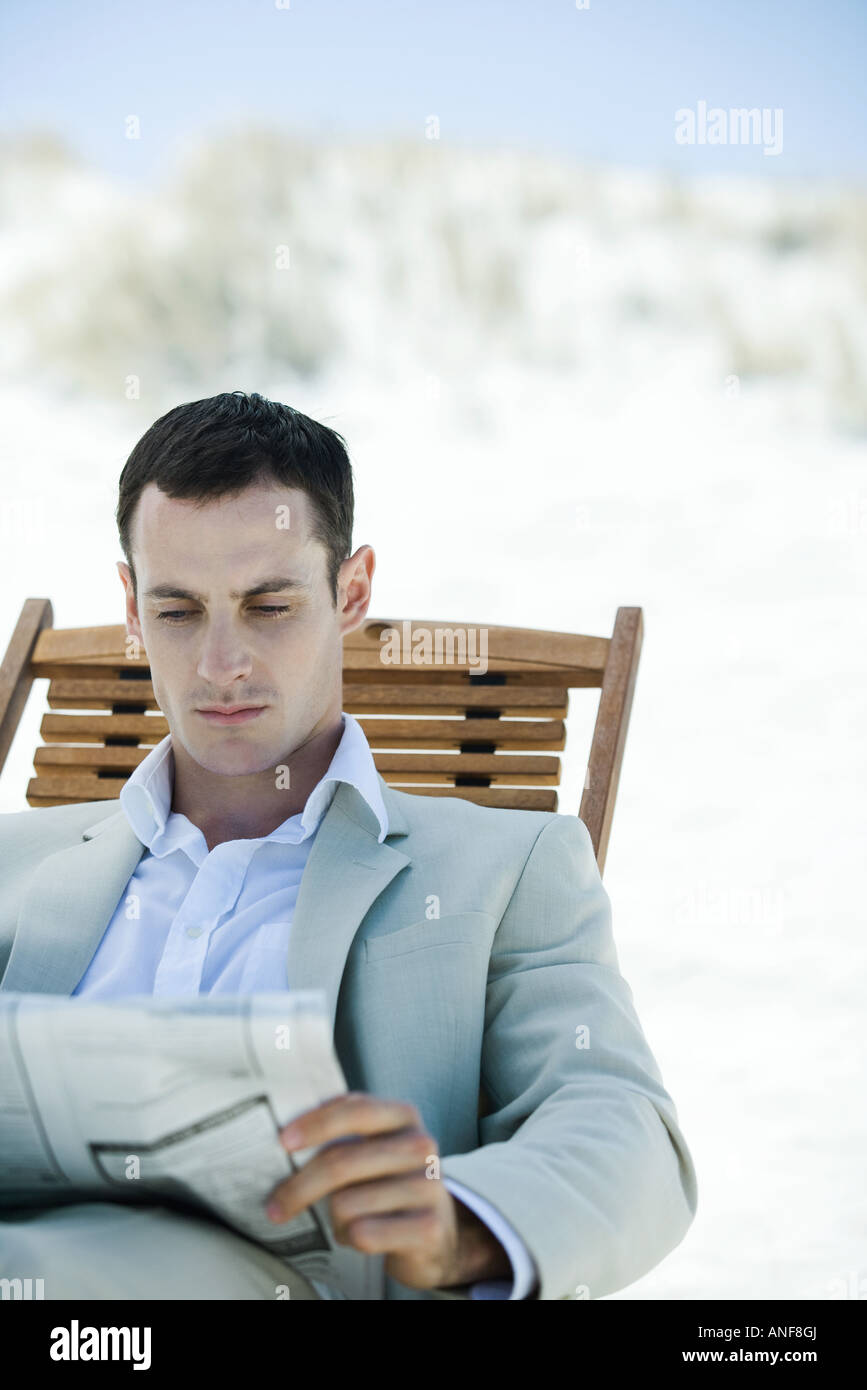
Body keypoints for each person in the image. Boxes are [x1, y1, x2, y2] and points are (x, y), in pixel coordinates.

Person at [0, 391, 697, 1300]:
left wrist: (462, 1223)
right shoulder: (18, 865)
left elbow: (620, 1121)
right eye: (177, 612)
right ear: (130, 605)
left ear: (352, 590)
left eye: (269, 606)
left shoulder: (502, 869)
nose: (221, 665)